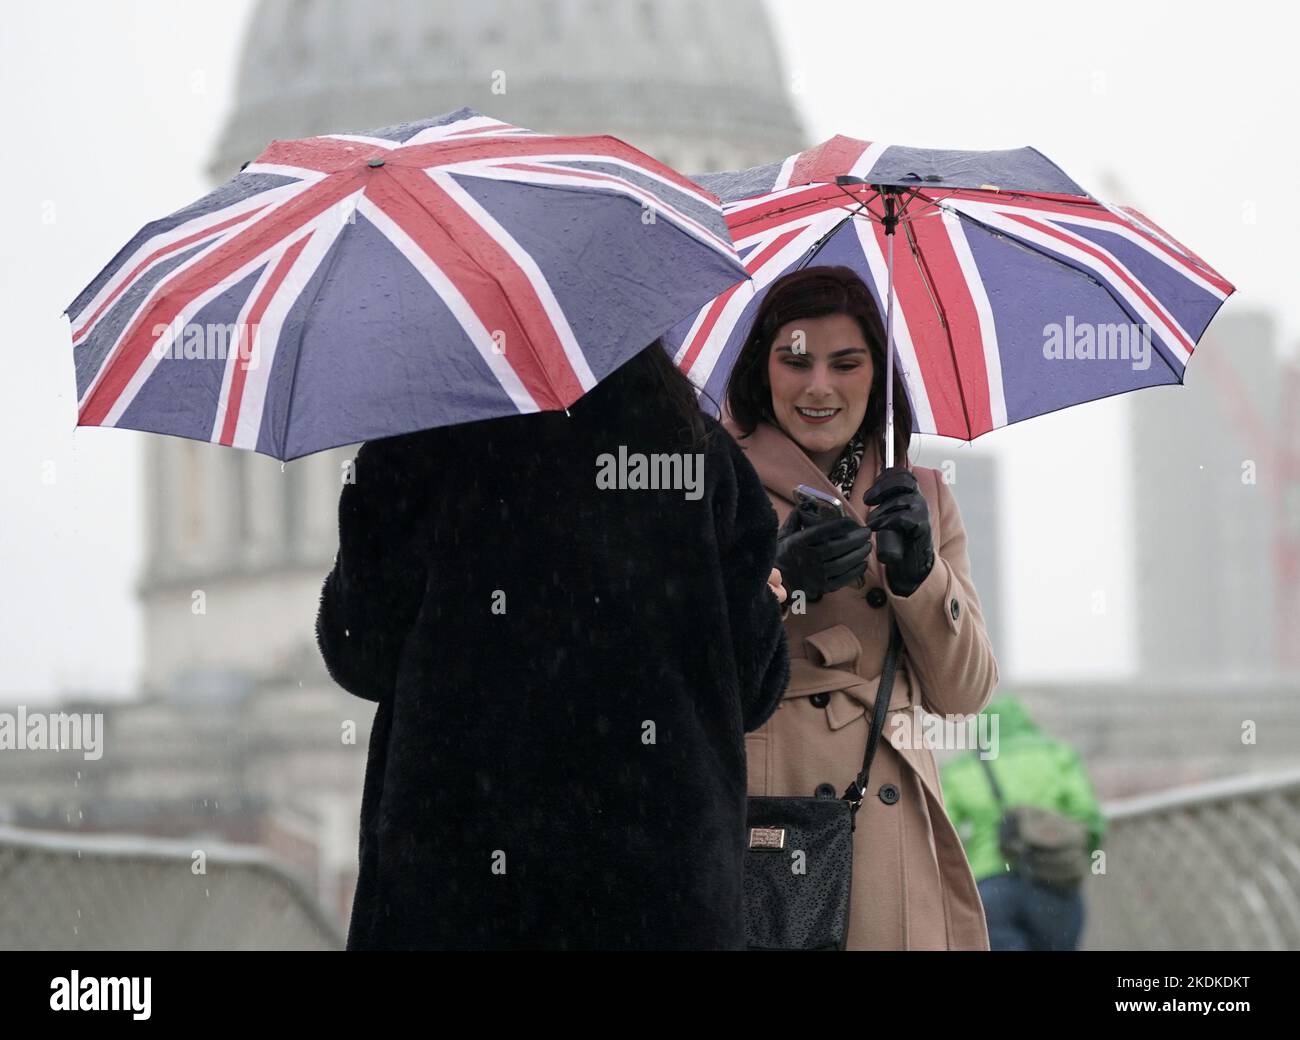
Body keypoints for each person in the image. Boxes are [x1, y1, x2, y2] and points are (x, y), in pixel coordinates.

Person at [315, 338, 790, 950]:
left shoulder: (414, 449)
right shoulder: (698, 455)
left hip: (457, 893)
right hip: (660, 899)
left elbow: (360, 654)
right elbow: (750, 690)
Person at [720, 264, 1000, 949]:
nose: (820, 386)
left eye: (846, 363)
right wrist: (778, 578)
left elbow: (963, 697)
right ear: (763, 373)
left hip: (884, 817)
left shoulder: (924, 496)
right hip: (767, 813)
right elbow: (680, 671)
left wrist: (920, 578)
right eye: (796, 362)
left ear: (877, 377)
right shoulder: (714, 483)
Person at [941, 694, 1106, 951]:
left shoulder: (959, 770)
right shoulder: (1058, 756)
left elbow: (943, 834)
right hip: (1053, 881)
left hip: (990, 889)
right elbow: (1090, 819)